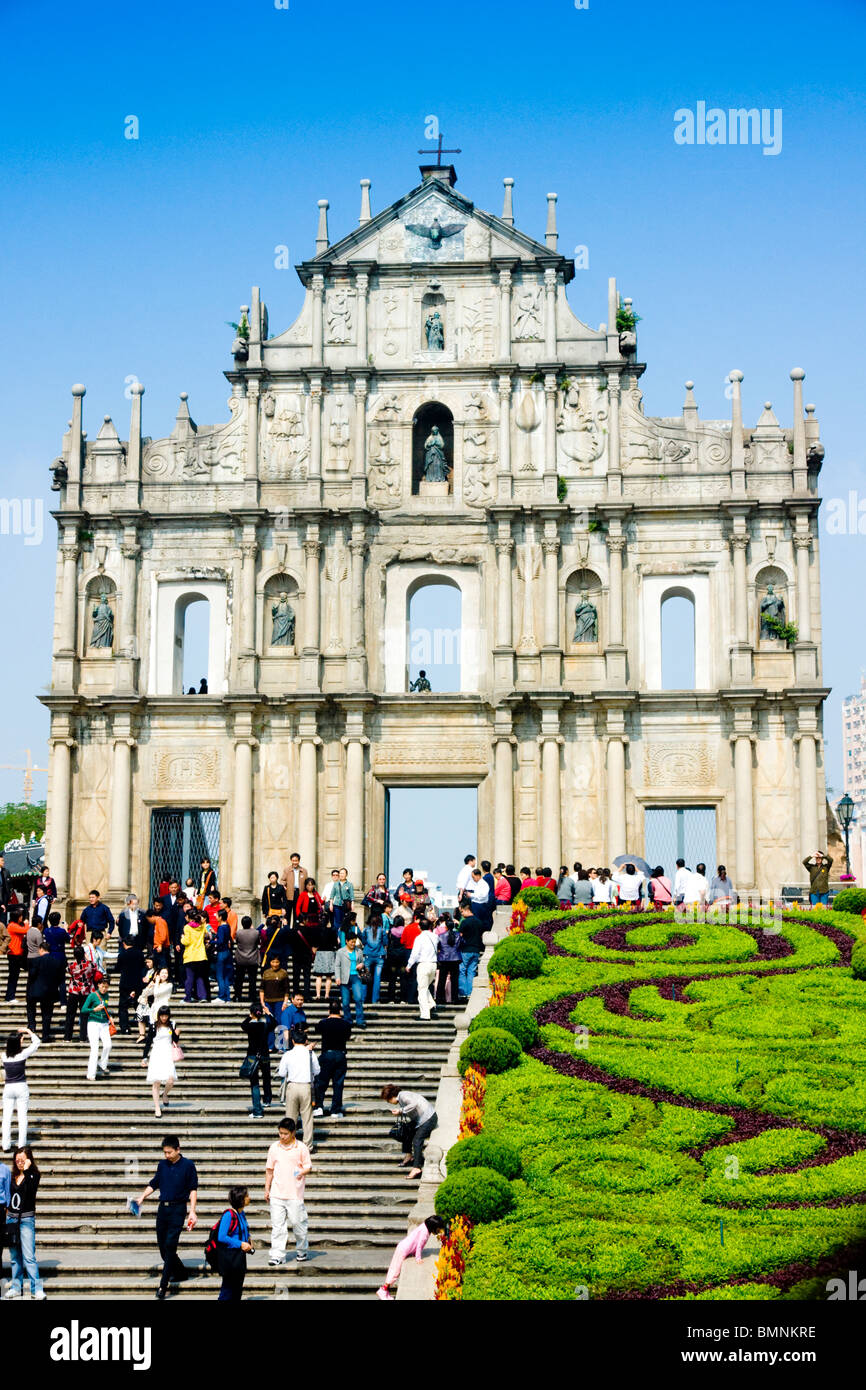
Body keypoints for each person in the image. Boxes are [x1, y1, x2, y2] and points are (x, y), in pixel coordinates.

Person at [135, 1136, 199, 1299]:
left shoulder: (188, 1166)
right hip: (163, 1209)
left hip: (178, 1209)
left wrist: (192, 1211)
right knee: (163, 1248)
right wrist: (142, 1197)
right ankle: (181, 1272)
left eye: (169, 1152)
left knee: (170, 1246)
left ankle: (163, 1286)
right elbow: (154, 1183)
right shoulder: (162, 1165)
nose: (167, 1156)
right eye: (165, 1153)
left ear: (178, 1149)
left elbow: (193, 1189)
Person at [265, 1116, 312, 1266]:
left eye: (285, 1134)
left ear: (293, 1133)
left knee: (298, 1223)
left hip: (294, 1194)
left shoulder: (301, 1147)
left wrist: (301, 1173)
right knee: (278, 1226)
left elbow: (308, 1166)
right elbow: (269, 1170)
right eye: (280, 1133)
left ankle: (302, 1249)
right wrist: (267, 1188)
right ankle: (277, 1255)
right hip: (277, 1193)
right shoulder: (274, 1147)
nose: (282, 1137)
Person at [376, 1215, 446, 1300]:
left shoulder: (424, 1227)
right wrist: (418, 1258)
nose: (438, 1231)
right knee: (395, 1271)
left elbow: (416, 1241)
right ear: (433, 1227)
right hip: (403, 1250)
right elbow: (419, 1245)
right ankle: (383, 1290)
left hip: (403, 1247)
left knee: (394, 1269)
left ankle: (385, 1292)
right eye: (438, 1229)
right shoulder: (425, 1233)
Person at [5, 1145, 43, 1299]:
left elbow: (32, 1189)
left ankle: (36, 1289)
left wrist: (27, 1170)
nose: (19, 1162)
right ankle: (16, 1287)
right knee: (15, 1257)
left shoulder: (34, 1175)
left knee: (29, 1256)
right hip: (12, 1219)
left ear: (29, 1160)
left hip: (26, 1219)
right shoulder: (12, 1176)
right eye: (17, 1159)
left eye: (23, 1159)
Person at [380, 1084, 438, 1180]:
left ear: (391, 1096)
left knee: (417, 1140)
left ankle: (416, 1167)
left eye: (388, 1100)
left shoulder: (403, 1095)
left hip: (428, 1118)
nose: (389, 1102)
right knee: (407, 1131)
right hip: (421, 1119)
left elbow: (414, 1104)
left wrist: (400, 1110)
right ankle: (409, 1155)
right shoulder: (402, 1097)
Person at [278, 1029, 319, 1151]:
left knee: (290, 1117)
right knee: (307, 1118)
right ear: (306, 1041)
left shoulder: (288, 1054)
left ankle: (289, 1143)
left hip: (292, 1086)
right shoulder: (311, 1054)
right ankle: (307, 1146)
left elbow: (281, 1073)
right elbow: (317, 1071)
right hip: (306, 1086)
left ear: (293, 1041)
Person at [2, 1030, 40, 1152]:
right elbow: (37, 1042)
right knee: (22, 1117)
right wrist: (28, 1031)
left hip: (8, 1087)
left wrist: (16, 1037)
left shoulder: (4, 1056)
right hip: (21, 1086)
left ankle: (6, 1145)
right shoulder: (23, 1054)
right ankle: (21, 1144)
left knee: (6, 1117)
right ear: (18, 1042)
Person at [313, 999, 352, 1118]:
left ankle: (319, 1107)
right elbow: (348, 1037)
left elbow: (316, 1030)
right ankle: (335, 1110)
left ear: (329, 1010)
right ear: (340, 1011)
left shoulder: (323, 1023)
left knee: (321, 1082)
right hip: (340, 1055)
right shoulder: (346, 1024)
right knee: (338, 1084)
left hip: (327, 1054)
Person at [214, 1185, 253, 1301]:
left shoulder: (242, 1214)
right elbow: (221, 1237)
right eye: (247, 1196)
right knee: (228, 1289)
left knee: (237, 1288)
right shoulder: (229, 1215)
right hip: (230, 1257)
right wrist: (240, 1244)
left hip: (240, 1257)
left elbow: (242, 1230)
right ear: (240, 1199)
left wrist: (249, 1239)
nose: (249, 1198)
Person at [142, 1006, 181, 1117]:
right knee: (156, 1081)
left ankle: (165, 1094)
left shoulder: (172, 1024)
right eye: (162, 1015)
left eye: (166, 1015)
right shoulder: (154, 1026)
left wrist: (177, 1034)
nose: (164, 1018)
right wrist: (144, 1057)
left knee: (170, 1080)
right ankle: (157, 1107)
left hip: (168, 1053)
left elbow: (175, 1040)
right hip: (156, 1054)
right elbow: (148, 1042)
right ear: (159, 1015)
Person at [241, 1004, 276, 1118]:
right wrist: (268, 1013)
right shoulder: (265, 1025)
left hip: (252, 1055)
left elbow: (243, 1025)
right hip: (264, 1054)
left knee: (254, 1083)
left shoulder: (250, 1026)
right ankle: (267, 1100)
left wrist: (250, 1016)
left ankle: (257, 1109)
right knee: (266, 1077)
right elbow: (274, 1023)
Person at [25, 943, 64, 1041]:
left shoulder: (35, 961)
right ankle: (45, 1036)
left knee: (31, 1009)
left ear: (41, 949)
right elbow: (60, 980)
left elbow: (32, 976)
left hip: (35, 990)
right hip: (50, 992)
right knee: (47, 1014)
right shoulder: (57, 962)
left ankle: (32, 1028)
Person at [82, 977, 113, 1081]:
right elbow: (83, 1009)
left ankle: (102, 1064)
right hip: (93, 1023)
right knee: (94, 1049)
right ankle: (91, 1074)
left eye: (106, 987)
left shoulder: (107, 995)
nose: (104, 989)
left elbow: (105, 1008)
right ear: (98, 985)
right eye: (103, 986)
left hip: (104, 1023)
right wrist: (93, 1009)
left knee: (108, 1045)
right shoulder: (92, 995)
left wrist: (110, 1018)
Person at [116, 938, 148, 1034]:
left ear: (124, 944)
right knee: (138, 1005)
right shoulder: (140, 954)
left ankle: (125, 1028)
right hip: (137, 983)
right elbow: (143, 967)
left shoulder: (122, 954)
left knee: (123, 1007)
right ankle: (142, 1026)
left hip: (125, 983)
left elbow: (117, 968)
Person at [407, 921, 438, 1021]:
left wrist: (409, 965)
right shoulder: (435, 936)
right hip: (433, 964)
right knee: (425, 987)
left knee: (422, 989)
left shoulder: (419, 938)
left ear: (419, 927)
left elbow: (415, 954)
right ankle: (431, 1003)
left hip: (423, 964)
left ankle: (425, 1014)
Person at [336, 932, 367, 1028]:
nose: (353, 944)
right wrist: (337, 977)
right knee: (345, 1002)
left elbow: (362, 961)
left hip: (356, 976)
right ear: (346, 941)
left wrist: (361, 965)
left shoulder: (359, 951)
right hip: (344, 977)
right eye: (351, 942)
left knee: (358, 998)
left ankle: (360, 1020)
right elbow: (337, 965)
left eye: (354, 942)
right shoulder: (341, 952)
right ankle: (347, 1020)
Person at [260, 956, 290, 1048]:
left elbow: (287, 990)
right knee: (269, 1023)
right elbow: (262, 990)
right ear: (270, 962)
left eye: (277, 962)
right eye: (273, 962)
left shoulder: (283, 973)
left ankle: (280, 1045)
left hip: (279, 1001)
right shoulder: (266, 973)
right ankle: (270, 1045)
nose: (275, 964)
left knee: (280, 1022)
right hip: (268, 1002)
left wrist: (285, 1002)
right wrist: (262, 1003)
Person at [181, 913, 209, 1003]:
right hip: (201, 955)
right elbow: (207, 935)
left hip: (190, 955)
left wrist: (182, 938)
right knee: (199, 977)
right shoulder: (202, 927)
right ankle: (202, 996)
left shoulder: (187, 927)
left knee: (189, 978)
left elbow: (187, 941)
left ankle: (188, 997)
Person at [42, 912, 69, 1003]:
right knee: (61, 980)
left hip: (51, 956)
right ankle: (63, 1002)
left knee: (51, 979)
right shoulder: (62, 931)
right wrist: (66, 929)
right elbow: (68, 939)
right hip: (60, 956)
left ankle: (52, 998)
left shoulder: (47, 931)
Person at [361, 912, 387, 1002]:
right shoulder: (382, 930)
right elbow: (385, 942)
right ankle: (375, 999)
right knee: (377, 978)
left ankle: (363, 998)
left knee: (365, 977)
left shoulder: (366, 930)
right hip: (379, 955)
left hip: (368, 955)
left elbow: (363, 941)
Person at [234, 915, 261, 1004]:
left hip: (241, 958)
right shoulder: (256, 933)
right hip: (253, 958)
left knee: (239, 978)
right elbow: (257, 942)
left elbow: (237, 942)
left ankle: (238, 995)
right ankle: (252, 996)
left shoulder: (238, 933)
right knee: (252, 979)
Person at [435, 918, 462, 1005]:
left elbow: (438, 946)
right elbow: (463, 943)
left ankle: (440, 998)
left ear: (446, 927)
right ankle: (455, 998)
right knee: (454, 980)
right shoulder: (458, 935)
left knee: (441, 980)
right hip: (455, 959)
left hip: (444, 959)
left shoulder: (441, 936)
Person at [4, 912, 29, 1003]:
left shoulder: (14, 925)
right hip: (14, 954)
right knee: (13, 976)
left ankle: (10, 996)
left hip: (17, 954)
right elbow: (25, 930)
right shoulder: (12, 926)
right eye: (21, 916)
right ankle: (10, 996)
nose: (22, 918)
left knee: (14, 976)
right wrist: (26, 923)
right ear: (17, 917)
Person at [312, 917, 338, 1000]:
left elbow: (315, 943)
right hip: (330, 953)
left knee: (318, 976)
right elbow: (335, 943)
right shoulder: (332, 931)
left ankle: (318, 994)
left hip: (320, 953)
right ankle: (327, 994)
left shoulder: (317, 930)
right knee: (329, 976)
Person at [280, 853, 308, 927]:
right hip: (289, 894)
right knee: (287, 914)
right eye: (293, 860)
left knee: (297, 914)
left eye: (296, 861)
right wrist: (284, 886)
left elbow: (307, 883)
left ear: (299, 861)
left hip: (299, 894)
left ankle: (296, 931)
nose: (295, 862)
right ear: (291, 861)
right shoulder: (287, 870)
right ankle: (287, 930)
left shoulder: (304, 871)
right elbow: (282, 880)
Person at [330, 867, 354, 942]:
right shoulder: (336, 884)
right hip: (337, 905)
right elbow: (332, 895)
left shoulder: (349, 884)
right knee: (337, 922)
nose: (341, 875)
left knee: (345, 922)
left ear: (346, 874)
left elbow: (352, 896)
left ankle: (345, 938)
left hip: (346, 906)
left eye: (343, 873)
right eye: (340, 873)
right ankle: (337, 938)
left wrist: (352, 904)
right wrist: (331, 904)